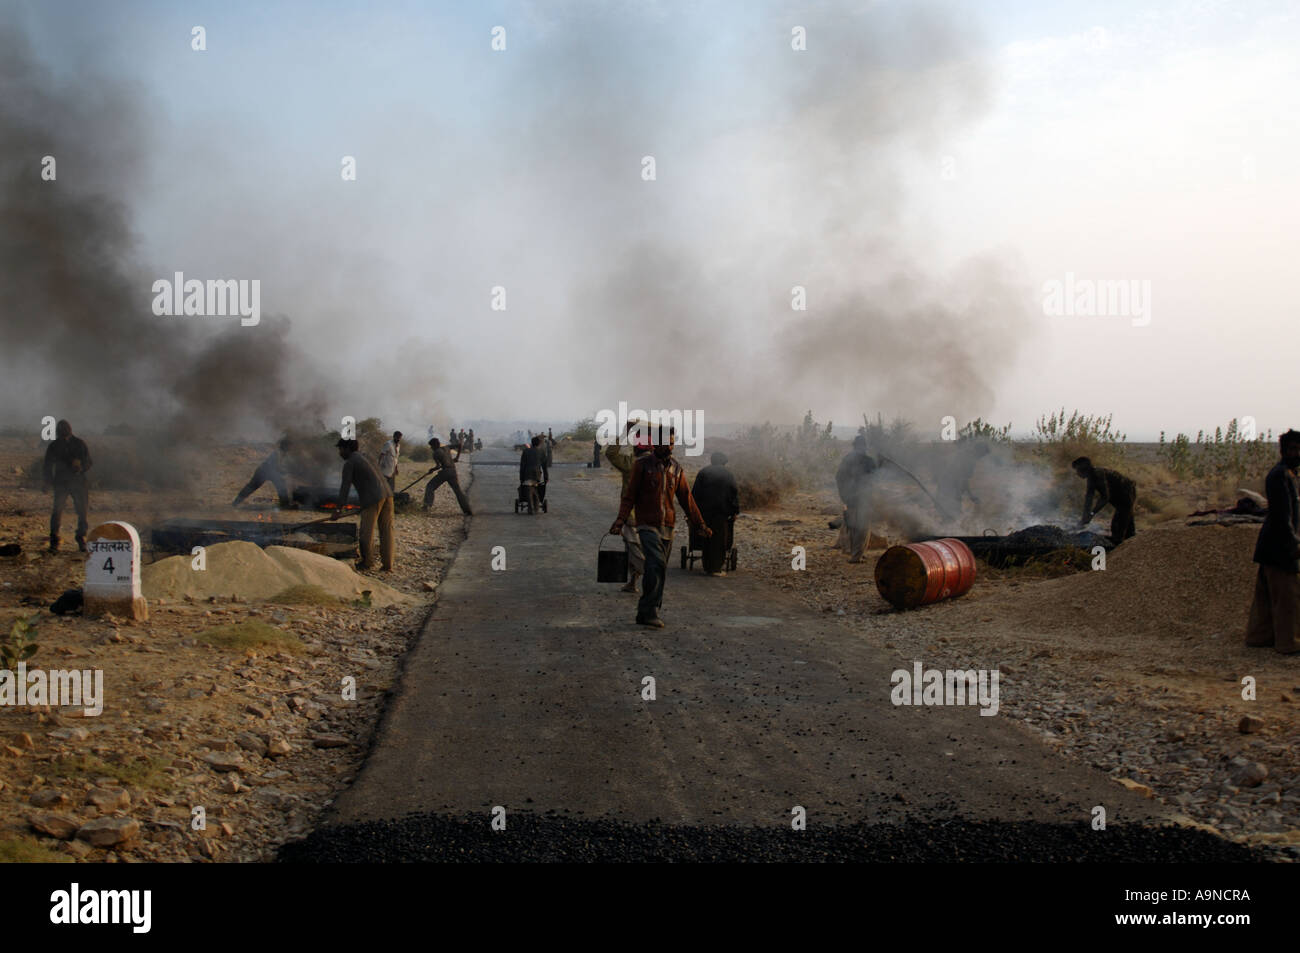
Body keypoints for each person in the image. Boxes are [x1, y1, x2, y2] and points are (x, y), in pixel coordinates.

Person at [609, 427, 710, 628]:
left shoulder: (676, 469)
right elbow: (629, 497)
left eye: (672, 443)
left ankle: (645, 611)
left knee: (659, 568)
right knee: (655, 563)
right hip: (647, 524)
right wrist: (620, 520)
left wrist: (700, 524)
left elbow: (686, 500)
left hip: (668, 527)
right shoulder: (641, 466)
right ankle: (650, 610)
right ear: (656, 444)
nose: (669, 447)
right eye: (666, 443)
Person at [1246, 430, 1300, 655]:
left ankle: (1260, 637)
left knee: (1267, 597)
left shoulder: (1288, 474)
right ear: (1283, 451)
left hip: (1272, 546)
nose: (1297, 453)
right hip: (1279, 547)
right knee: (1287, 596)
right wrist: (1294, 545)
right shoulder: (1279, 476)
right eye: (1293, 449)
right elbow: (1281, 517)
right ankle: (1289, 644)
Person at [331, 438, 394, 572]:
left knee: (366, 532)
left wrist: (337, 510)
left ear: (347, 449)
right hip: (388, 494)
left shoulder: (350, 462)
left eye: (340, 449)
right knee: (386, 531)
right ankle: (388, 565)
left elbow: (345, 488)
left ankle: (367, 562)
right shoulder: (367, 457)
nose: (340, 453)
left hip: (373, 499)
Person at [606, 421, 649, 592]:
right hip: (653, 516)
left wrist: (624, 433)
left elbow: (610, 452)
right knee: (641, 548)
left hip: (632, 516)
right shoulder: (660, 465)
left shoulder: (631, 464)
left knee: (633, 548)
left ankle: (649, 573)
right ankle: (634, 582)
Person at [43, 419, 92, 553]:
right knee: (57, 511)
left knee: (82, 511)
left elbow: (88, 462)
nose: (61, 433)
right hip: (62, 483)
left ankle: (81, 538)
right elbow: (47, 465)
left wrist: (80, 468)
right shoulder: (55, 446)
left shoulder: (79, 444)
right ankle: (54, 541)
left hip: (78, 482)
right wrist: (48, 481)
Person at [691, 451, 740, 576]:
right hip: (721, 513)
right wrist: (735, 511)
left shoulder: (703, 473)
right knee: (718, 540)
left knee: (706, 538)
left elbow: (695, 493)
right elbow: (733, 494)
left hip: (704, 512)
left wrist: (692, 511)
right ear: (723, 462)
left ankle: (707, 566)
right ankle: (716, 569)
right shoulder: (728, 475)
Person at [1073, 457, 1137, 544]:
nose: (1077, 473)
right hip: (1120, 498)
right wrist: (1084, 518)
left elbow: (1105, 497)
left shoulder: (1098, 474)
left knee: (1118, 527)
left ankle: (1125, 548)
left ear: (1083, 469)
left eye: (1077, 470)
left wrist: (1091, 514)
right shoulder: (1091, 477)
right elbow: (1089, 498)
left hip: (1126, 494)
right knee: (1123, 525)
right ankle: (1130, 544)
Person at [835, 435, 878, 563]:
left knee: (853, 526)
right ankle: (856, 556)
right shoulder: (869, 461)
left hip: (850, 498)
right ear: (864, 447)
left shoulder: (847, 459)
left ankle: (855, 553)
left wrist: (843, 495)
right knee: (862, 528)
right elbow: (875, 479)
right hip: (863, 498)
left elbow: (839, 477)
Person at [232, 437, 293, 508]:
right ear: (285, 446)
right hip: (263, 472)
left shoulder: (282, 453)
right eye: (289, 446)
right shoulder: (278, 453)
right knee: (251, 487)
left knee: (281, 486)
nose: (291, 448)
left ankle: (285, 504)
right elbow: (276, 466)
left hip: (270, 472)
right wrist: (285, 473)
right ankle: (236, 502)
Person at [936, 439, 990, 516]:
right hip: (949, 487)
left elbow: (963, 479)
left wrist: (970, 496)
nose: (981, 458)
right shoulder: (969, 459)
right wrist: (969, 496)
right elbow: (961, 479)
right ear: (979, 452)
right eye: (982, 455)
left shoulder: (966, 454)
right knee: (951, 514)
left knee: (950, 513)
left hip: (947, 485)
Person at [424, 437, 473, 514]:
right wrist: (457, 457)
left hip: (445, 472)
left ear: (434, 445)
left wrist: (432, 470)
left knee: (430, 486)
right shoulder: (446, 447)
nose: (431, 448)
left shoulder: (436, 453)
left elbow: (438, 466)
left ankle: (426, 506)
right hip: (453, 471)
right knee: (458, 492)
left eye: (431, 446)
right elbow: (460, 445)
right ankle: (467, 511)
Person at [519, 435, 549, 514]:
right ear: (539, 444)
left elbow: (522, 466)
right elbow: (544, 467)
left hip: (527, 474)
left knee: (528, 489)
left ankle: (531, 507)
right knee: (535, 488)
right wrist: (546, 477)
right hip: (537, 474)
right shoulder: (541, 452)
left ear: (531, 443)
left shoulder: (525, 451)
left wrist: (521, 477)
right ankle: (535, 507)